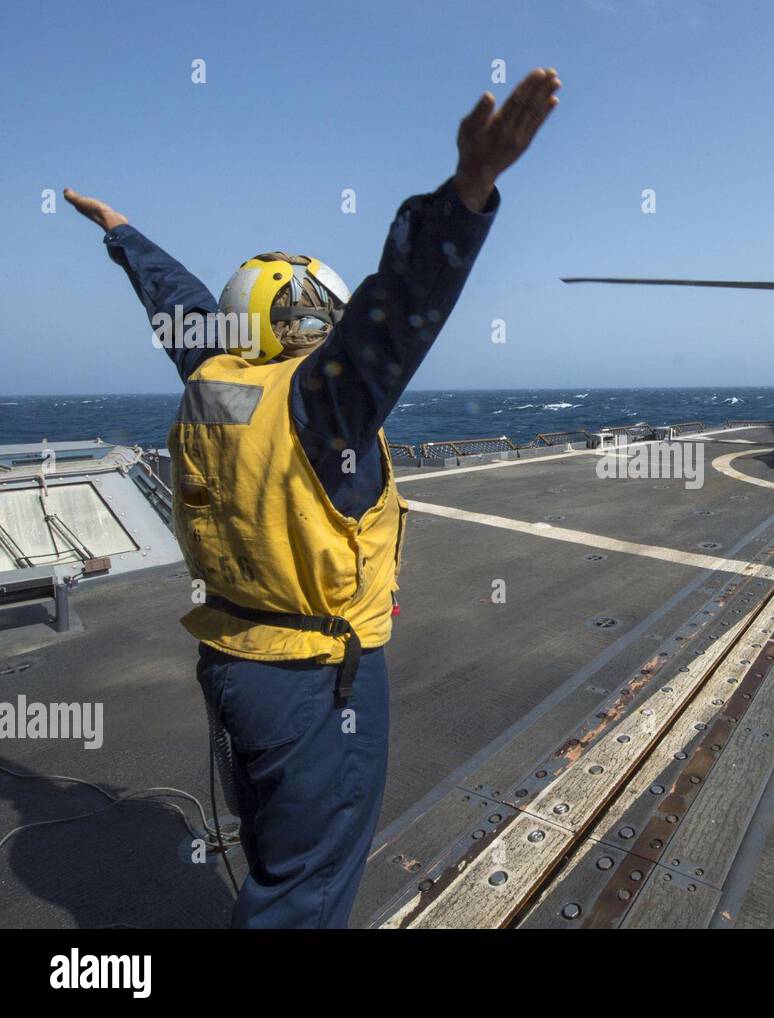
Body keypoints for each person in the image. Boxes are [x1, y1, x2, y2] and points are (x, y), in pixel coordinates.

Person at [65, 68, 561, 928]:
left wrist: (123, 234)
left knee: (274, 852)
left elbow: (174, 301)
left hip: (230, 662)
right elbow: (402, 305)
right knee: (307, 893)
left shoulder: (212, 378)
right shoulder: (323, 404)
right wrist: (468, 192)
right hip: (316, 687)